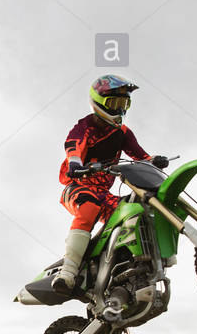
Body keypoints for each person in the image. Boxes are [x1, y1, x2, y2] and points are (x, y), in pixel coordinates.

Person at [53, 74, 171, 292]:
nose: (119, 109)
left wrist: (155, 161)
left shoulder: (123, 133)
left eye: (124, 103)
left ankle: (128, 269)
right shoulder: (85, 126)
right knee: (90, 207)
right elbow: (73, 144)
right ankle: (68, 271)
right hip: (77, 186)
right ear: (98, 102)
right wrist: (75, 162)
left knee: (133, 212)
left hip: (104, 193)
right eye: (114, 103)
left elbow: (140, 156)